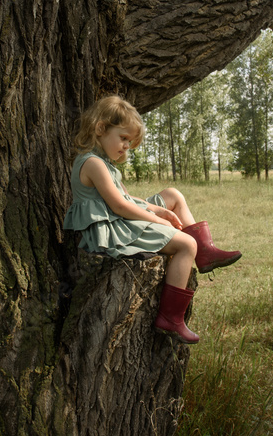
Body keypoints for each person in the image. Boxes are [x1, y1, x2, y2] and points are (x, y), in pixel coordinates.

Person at [63, 95, 241, 344]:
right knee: (185, 245)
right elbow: (119, 206)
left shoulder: (103, 162)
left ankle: (205, 253)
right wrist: (156, 220)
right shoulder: (93, 163)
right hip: (112, 229)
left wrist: (160, 210)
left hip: (119, 216)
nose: (126, 146)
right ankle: (171, 318)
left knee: (172, 196)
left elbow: (127, 198)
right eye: (123, 138)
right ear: (101, 128)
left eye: (130, 142)